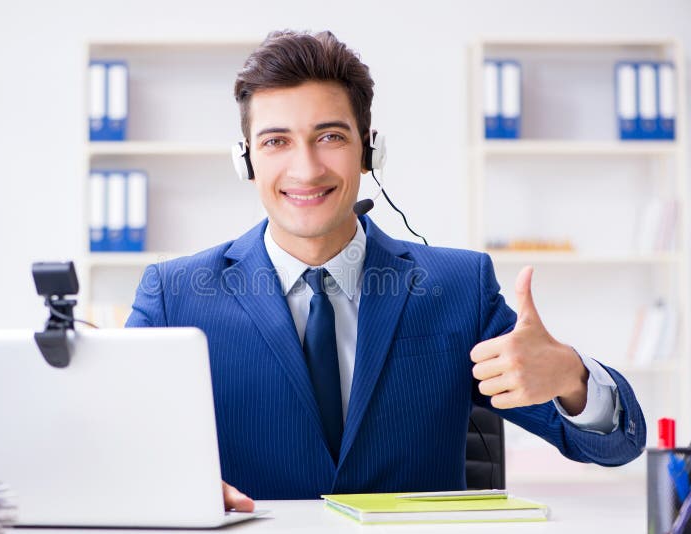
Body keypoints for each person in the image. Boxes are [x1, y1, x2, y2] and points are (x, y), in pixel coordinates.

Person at [126, 30, 645, 511]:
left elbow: (615, 446)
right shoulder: (176, 297)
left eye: (330, 137)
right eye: (276, 141)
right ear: (246, 159)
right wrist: (162, 484)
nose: (306, 169)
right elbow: (119, 447)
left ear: (369, 150)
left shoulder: (458, 289)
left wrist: (572, 379)